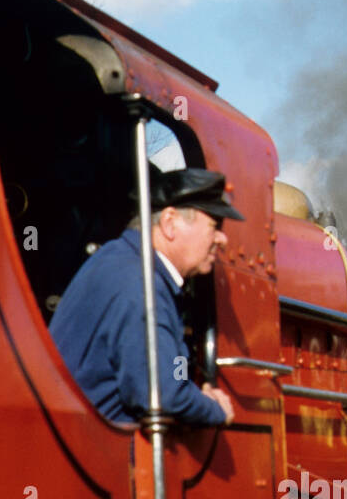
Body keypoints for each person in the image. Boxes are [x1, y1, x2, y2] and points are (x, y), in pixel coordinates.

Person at [49, 168, 243, 427]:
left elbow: (169, 373)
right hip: (99, 451)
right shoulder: (141, 284)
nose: (223, 239)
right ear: (170, 223)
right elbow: (160, 395)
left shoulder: (121, 262)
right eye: (214, 225)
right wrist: (214, 409)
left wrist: (191, 393)